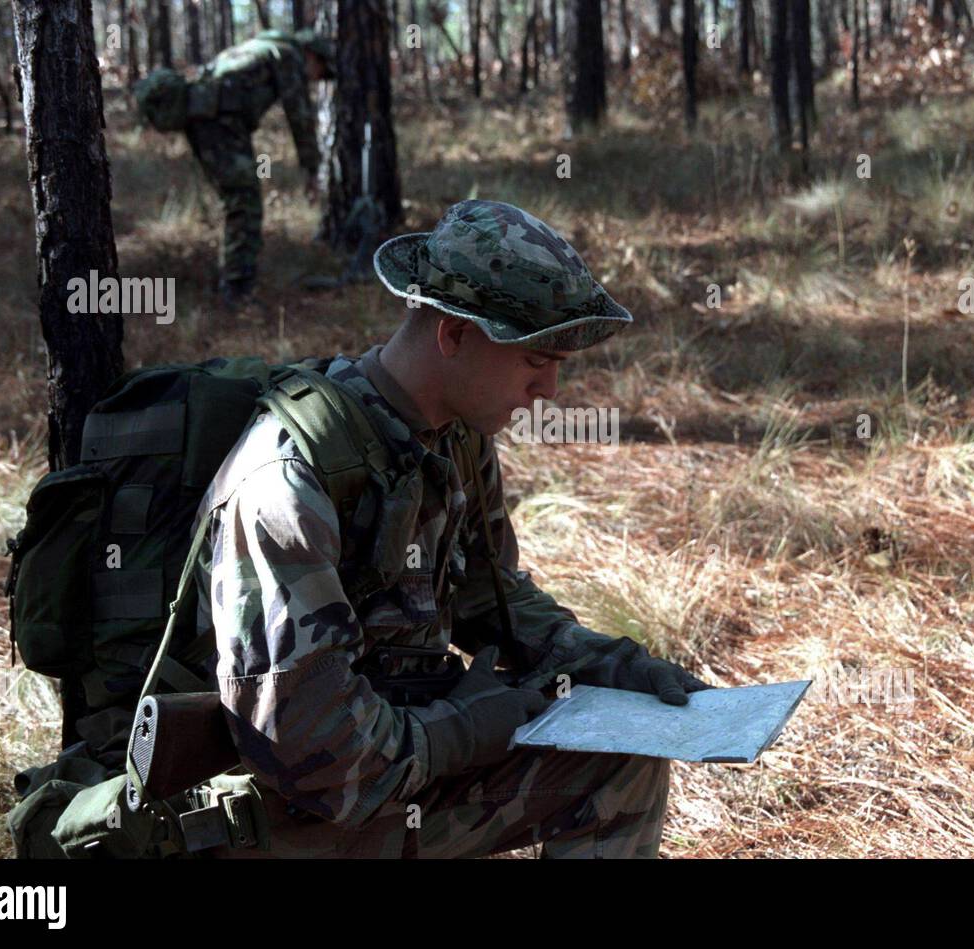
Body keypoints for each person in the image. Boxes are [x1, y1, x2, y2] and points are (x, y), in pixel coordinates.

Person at [189, 199, 712, 858]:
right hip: (279, 813)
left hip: (389, 771)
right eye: (534, 360)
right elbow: (311, 756)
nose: (548, 389)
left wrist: (612, 663)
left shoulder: (455, 438)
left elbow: (495, 602)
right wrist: (465, 732)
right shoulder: (289, 480)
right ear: (453, 335)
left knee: (620, 757)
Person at [177, 28, 335, 305]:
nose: (315, 78)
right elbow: (299, 115)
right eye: (319, 71)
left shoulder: (262, 45)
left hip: (206, 117)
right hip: (220, 122)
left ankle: (232, 280)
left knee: (237, 200)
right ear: (311, 54)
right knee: (245, 202)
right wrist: (311, 168)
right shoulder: (288, 55)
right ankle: (238, 291)